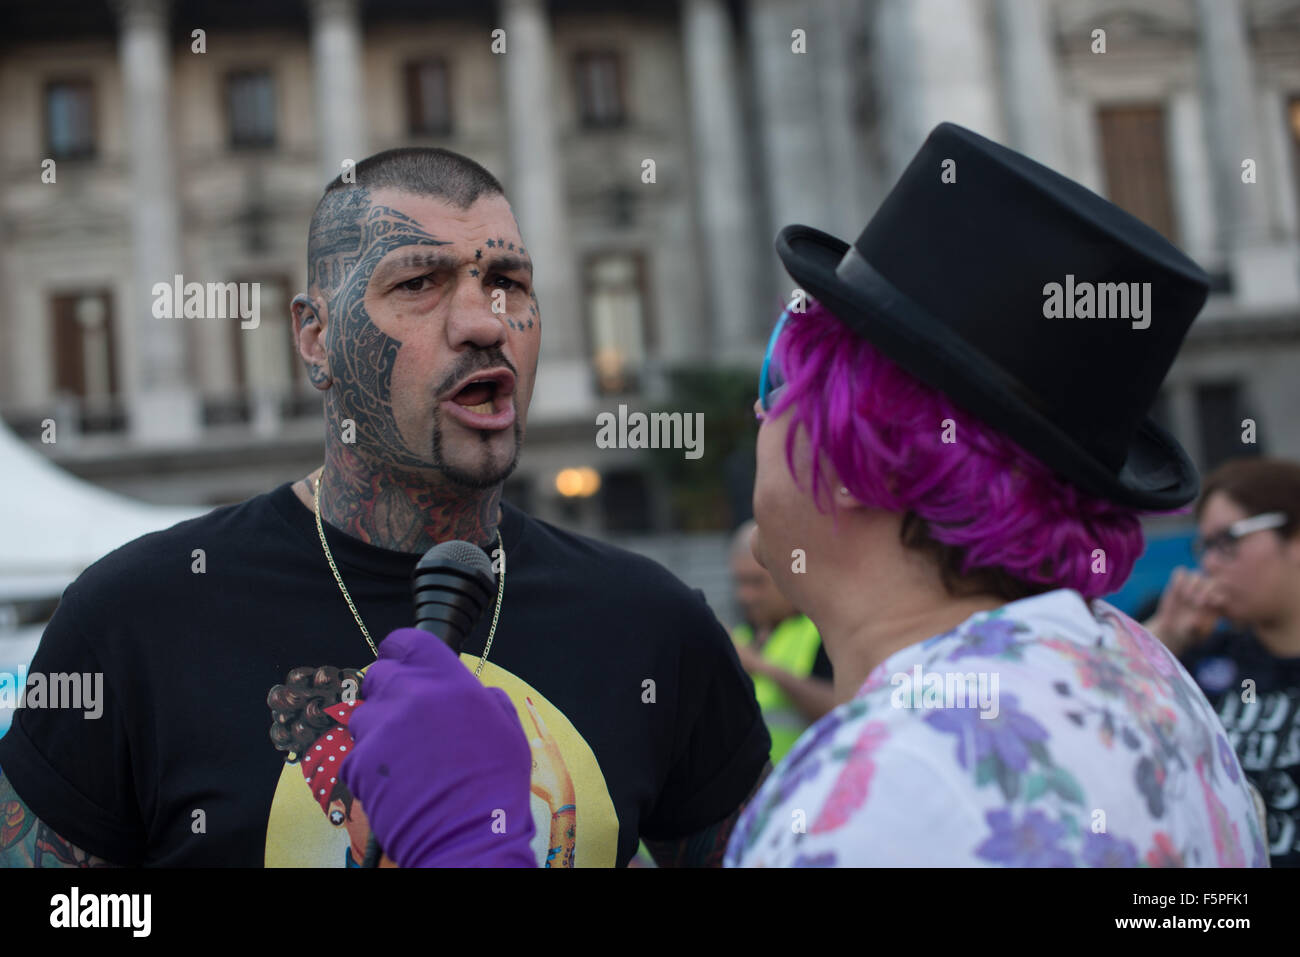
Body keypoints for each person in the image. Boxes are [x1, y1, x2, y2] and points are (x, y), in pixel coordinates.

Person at [340, 123, 1269, 868]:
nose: (755, 408)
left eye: (780, 380)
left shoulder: (880, 794)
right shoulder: (1145, 673)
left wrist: (471, 837)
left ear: (861, 452)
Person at [0, 148, 772, 868]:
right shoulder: (134, 617)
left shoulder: (653, 625)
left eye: (509, 282)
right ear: (315, 336)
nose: (483, 321)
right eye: (417, 283)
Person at [1145, 458, 1300, 866]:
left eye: (1228, 541)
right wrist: (1165, 637)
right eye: (1206, 547)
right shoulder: (1201, 657)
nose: (1210, 563)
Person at [729, 520, 836, 762]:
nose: (745, 595)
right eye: (739, 582)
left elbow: (840, 708)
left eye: (757, 583)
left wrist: (760, 666)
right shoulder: (743, 636)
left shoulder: (822, 631)